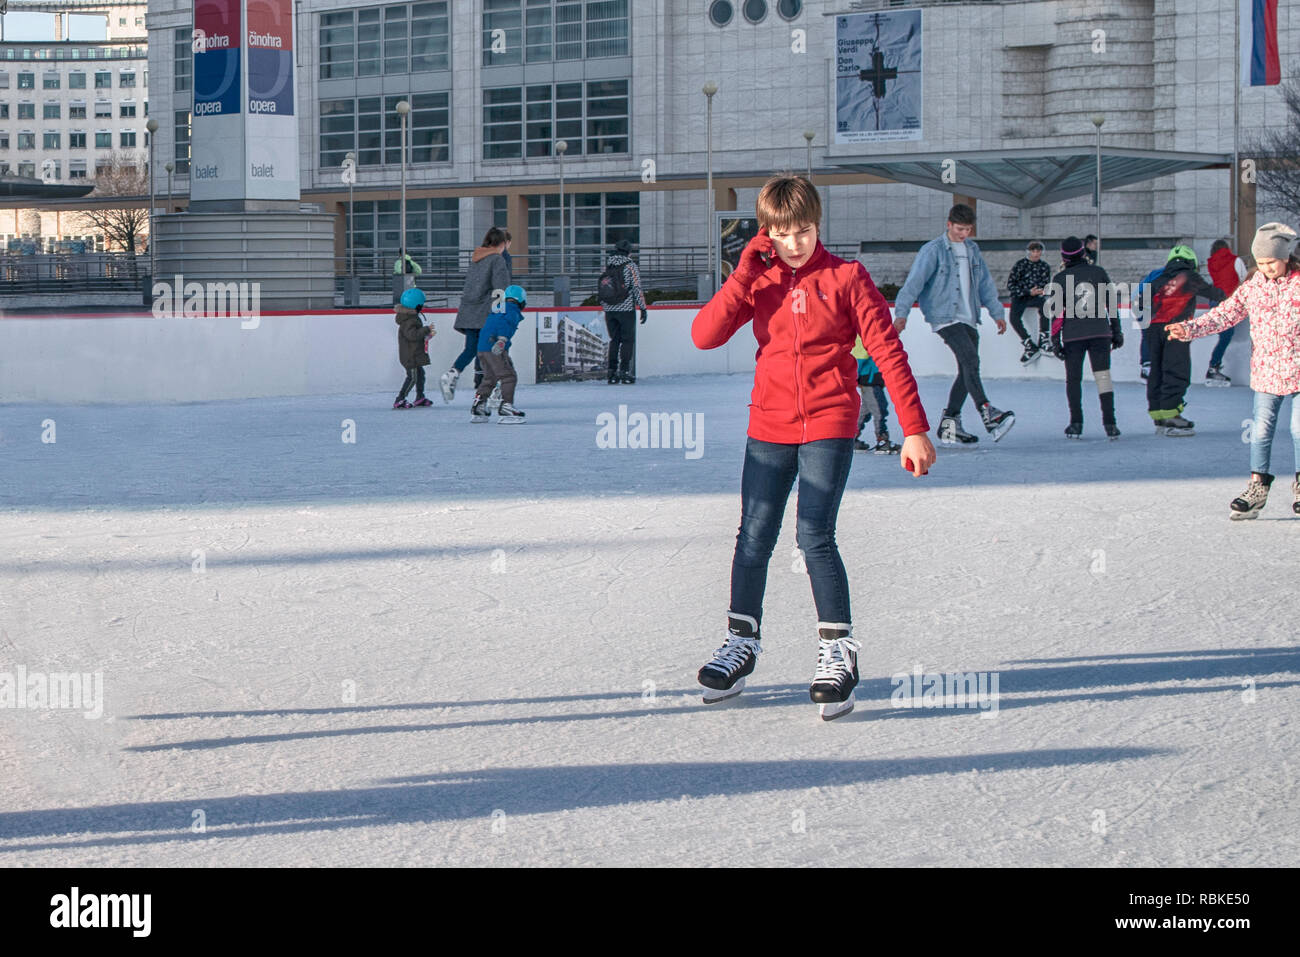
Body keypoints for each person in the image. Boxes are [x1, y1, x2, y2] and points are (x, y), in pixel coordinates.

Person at [690, 174, 936, 721]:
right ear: (765, 233)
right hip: (768, 426)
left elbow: (887, 351)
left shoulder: (846, 277)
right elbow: (704, 336)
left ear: (816, 224)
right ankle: (742, 642)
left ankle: (836, 651)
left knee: (813, 535)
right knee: (753, 533)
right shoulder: (758, 280)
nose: (794, 242)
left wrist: (914, 427)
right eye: (782, 233)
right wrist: (743, 274)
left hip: (829, 420)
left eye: (803, 230)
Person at [1168, 223, 1300, 517]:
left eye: (1271, 262)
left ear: (1286, 257)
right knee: (1261, 431)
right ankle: (1257, 488)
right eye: (1261, 263)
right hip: (1267, 371)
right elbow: (1225, 314)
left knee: (1298, 429)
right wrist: (1188, 329)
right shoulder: (1254, 287)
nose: (1266, 268)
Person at [894, 203, 1015, 444]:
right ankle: (988, 412)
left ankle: (950, 425)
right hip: (944, 317)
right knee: (970, 361)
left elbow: (985, 283)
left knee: (968, 367)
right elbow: (914, 282)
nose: (964, 234)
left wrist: (996, 312)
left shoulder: (972, 250)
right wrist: (902, 313)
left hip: (969, 317)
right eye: (960, 229)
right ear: (949, 225)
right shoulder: (933, 250)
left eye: (968, 229)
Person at [1047, 237, 1122, 439]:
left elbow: (1056, 313)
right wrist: (1117, 331)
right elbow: (1111, 303)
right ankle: (1110, 424)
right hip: (1100, 332)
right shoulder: (1098, 273)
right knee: (1103, 378)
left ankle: (1076, 423)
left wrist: (1055, 341)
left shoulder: (1060, 278)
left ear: (1064, 257)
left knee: (1073, 380)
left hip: (1073, 335)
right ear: (1083, 253)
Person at [1146, 244, 1225, 435]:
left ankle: (1158, 415)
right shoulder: (1189, 276)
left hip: (1152, 328)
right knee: (1176, 369)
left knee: (1157, 370)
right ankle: (1172, 415)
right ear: (1191, 262)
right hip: (1175, 328)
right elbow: (1215, 294)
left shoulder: (1158, 278)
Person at [443, 227, 511, 402]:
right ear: (502, 244)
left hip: (468, 312)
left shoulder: (476, 258)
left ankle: (453, 373)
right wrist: (500, 316)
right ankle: (495, 391)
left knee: (471, 349)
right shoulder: (497, 260)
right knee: (494, 351)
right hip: (485, 314)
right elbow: (500, 290)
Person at [471, 284, 527, 423]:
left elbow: (492, 325)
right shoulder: (512, 310)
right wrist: (502, 340)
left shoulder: (498, 309)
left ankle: (479, 406)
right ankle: (507, 407)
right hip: (495, 346)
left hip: (482, 347)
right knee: (509, 376)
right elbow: (504, 324)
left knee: (490, 378)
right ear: (520, 300)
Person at [600, 239, 648, 384]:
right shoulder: (630, 266)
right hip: (626, 308)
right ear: (629, 252)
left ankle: (611, 371)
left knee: (614, 340)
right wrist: (643, 307)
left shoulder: (607, 265)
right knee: (627, 340)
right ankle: (625, 371)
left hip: (609, 308)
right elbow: (636, 288)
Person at [1204, 238, 1249, 386]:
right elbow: (1245, 279)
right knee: (1226, 336)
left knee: (1225, 335)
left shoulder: (1211, 263)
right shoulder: (1235, 260)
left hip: (1215, 302)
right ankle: (1213, 367)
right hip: (1228, 301)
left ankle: (1214, 366)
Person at [1006, 241, 1053, 363]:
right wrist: (1026, 291)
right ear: (1029, 252)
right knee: (1014, 318)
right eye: (1033, 251)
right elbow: (1011, 285)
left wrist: (1040, 291)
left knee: (1045, 308)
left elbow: (1046, 283)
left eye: (1038, 251)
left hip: (1036, 296)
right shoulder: (1020, 265)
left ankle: (1044, 339)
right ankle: (1029, 344)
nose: (1036, 254)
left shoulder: (1044, 267)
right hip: (1021, 296)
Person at [851, 337, 899, 453]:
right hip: (870, 381)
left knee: (865, 412)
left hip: (872, 380)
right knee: (879, 409)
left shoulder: (871, 336)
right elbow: (859, 358)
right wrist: (855, 378)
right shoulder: (863, 337)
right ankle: (882, 440)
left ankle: (851, 438)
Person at [392, 287, 435, 409]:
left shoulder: (410, 318)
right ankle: (400, 398)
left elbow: (415, 336)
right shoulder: (409, 320)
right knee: (413, 377)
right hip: (410, 356)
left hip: (414, 353)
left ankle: (420, 397)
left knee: (420, 375)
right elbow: (412, 335)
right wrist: (426, 329)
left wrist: (426, 336)